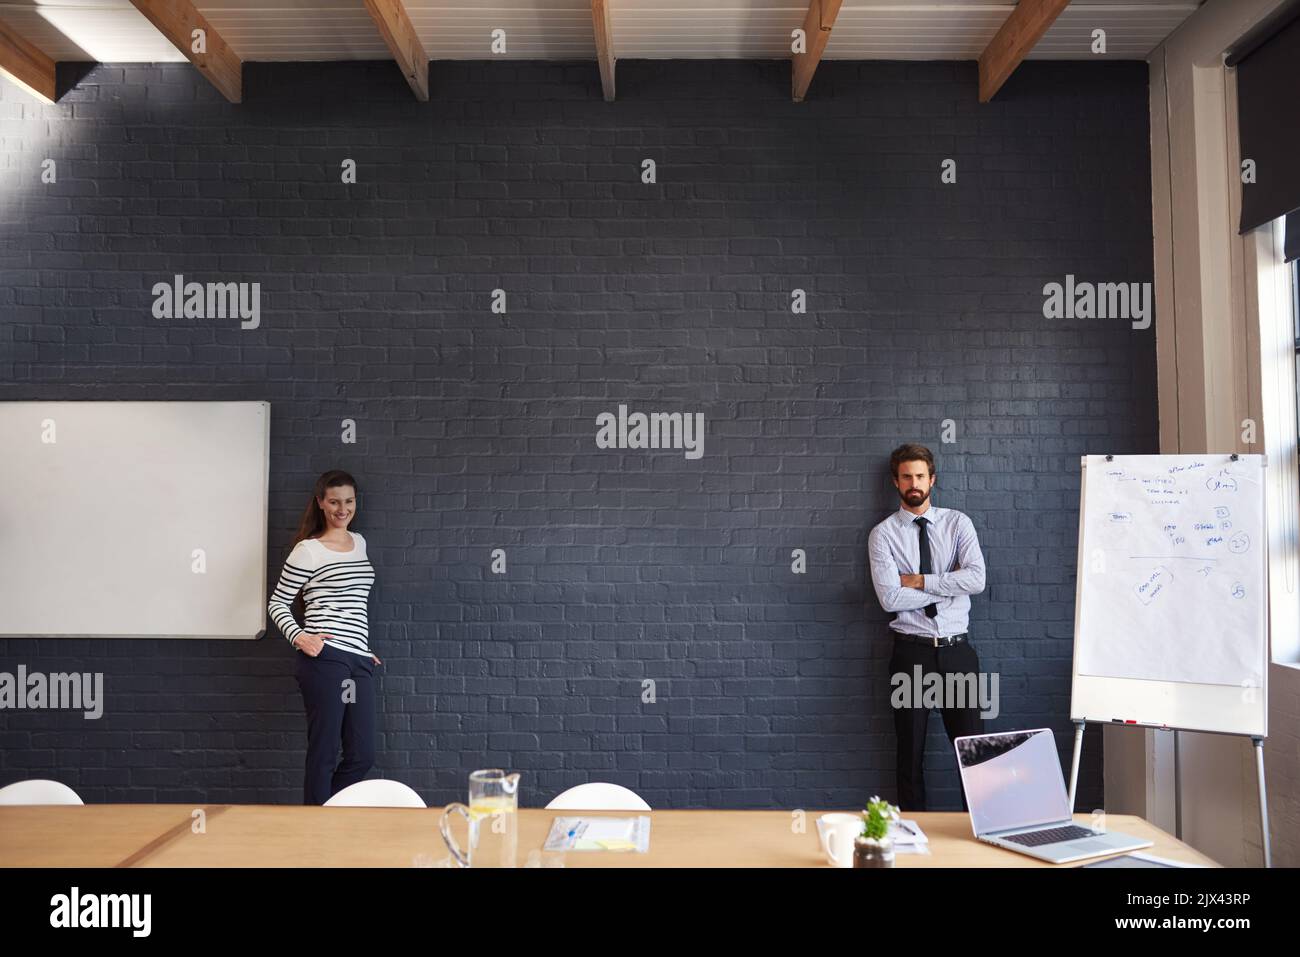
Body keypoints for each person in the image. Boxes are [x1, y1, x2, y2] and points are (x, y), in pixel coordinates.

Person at [867, 444, 987, 811]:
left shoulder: (958, 523)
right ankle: (913, 836)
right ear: (895, 482)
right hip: (911, 654)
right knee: (910, 753)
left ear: (932, 479)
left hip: (956, 652)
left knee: (974, 753)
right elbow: (889, 599)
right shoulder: (882, 535)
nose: (913, 483)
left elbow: (978, 579)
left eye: (920, 476)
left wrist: (918, 581)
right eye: (906, 477)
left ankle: (983, 832)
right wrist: (948, 585)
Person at [268, 469, 381, 805]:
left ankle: (321, 813)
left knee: (362, 754)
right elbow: (277, 602)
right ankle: (315, 831)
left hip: (357, 659)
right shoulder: (309, 550)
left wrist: (362, 649)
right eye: (333, 502)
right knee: (325, 750)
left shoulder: (360, 542)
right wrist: (300, 637)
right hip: (325, 659)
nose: (341, 509)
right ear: (320, 503)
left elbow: (354, 601)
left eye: (348, 501)